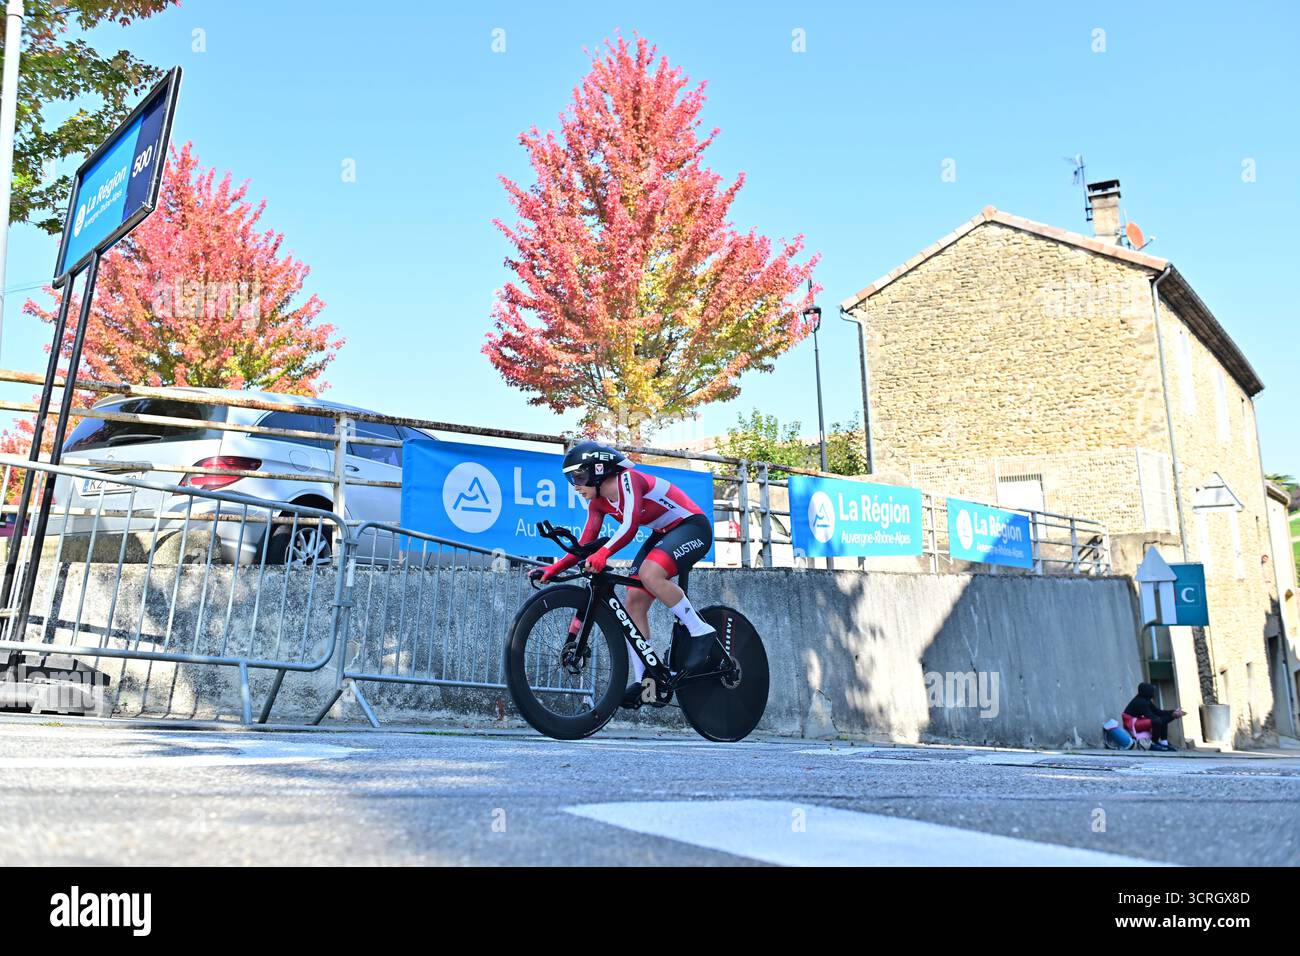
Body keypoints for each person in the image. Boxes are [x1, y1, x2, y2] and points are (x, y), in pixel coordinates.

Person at [530, 441, 717, 709]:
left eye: (579, 477)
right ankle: (646, 684)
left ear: (599, 470)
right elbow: (584, 546)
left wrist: (603, 554)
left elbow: (629, 527)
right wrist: (553, 569)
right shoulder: (597, 503)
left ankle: (701, 630)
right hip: (663, 532)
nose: (576, 486)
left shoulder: (628, 479)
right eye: (571, 480)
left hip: (692, 526)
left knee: (650, 573)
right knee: (634, 601)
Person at [1124, 682, 1187, 752]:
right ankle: (1154, 742)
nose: (1153, 693)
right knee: (1157, 721)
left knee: (1161, 719)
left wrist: (1173, 712)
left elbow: (1157, 712)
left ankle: (1164, 742)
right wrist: (1173, 716)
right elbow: (1153, 718)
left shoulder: (1145, 699)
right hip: (1132, 724)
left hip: (1137, 720)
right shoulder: (1141, 702)